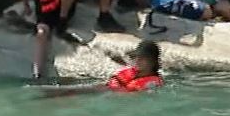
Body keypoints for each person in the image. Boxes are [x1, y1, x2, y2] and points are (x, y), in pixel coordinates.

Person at [34, 40, 163, 97]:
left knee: (76, 92)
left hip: (111, 94)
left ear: (152, 61)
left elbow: (141, 94)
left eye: (143, 58)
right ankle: (50, 93)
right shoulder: (133, 72)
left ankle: (50, 94)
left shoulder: (153, 82)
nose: (138, 60)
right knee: (76, 90)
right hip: (106, 89)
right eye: (137, 57)